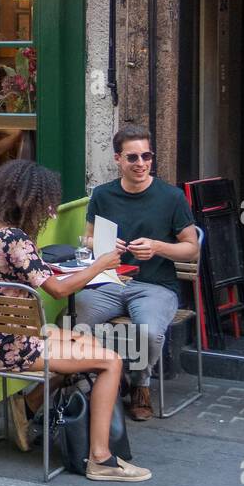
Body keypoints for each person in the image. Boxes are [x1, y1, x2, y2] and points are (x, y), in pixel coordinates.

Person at [0, 159, 149, 480]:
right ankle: (100, 458)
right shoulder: (16, 240)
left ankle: (28, 407)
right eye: (46, 204)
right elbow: (58, 289)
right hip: (15, 347)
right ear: (30, 201)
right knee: (111, 362)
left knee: (85, 341)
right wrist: (101, 263)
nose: (48, 211)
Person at [80, 125, 199, 422]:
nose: (141, 163)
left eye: (146, 156)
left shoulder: (171, 197)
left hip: (155, 285)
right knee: (72, 318)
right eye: (133, 158)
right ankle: (88, 379)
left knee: (147, 332)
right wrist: (104, 245)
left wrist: (158, 247)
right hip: (110, 281)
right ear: (118, 159)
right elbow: (87, 239)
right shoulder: (103, 195)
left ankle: (140, 383)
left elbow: (191, 248)